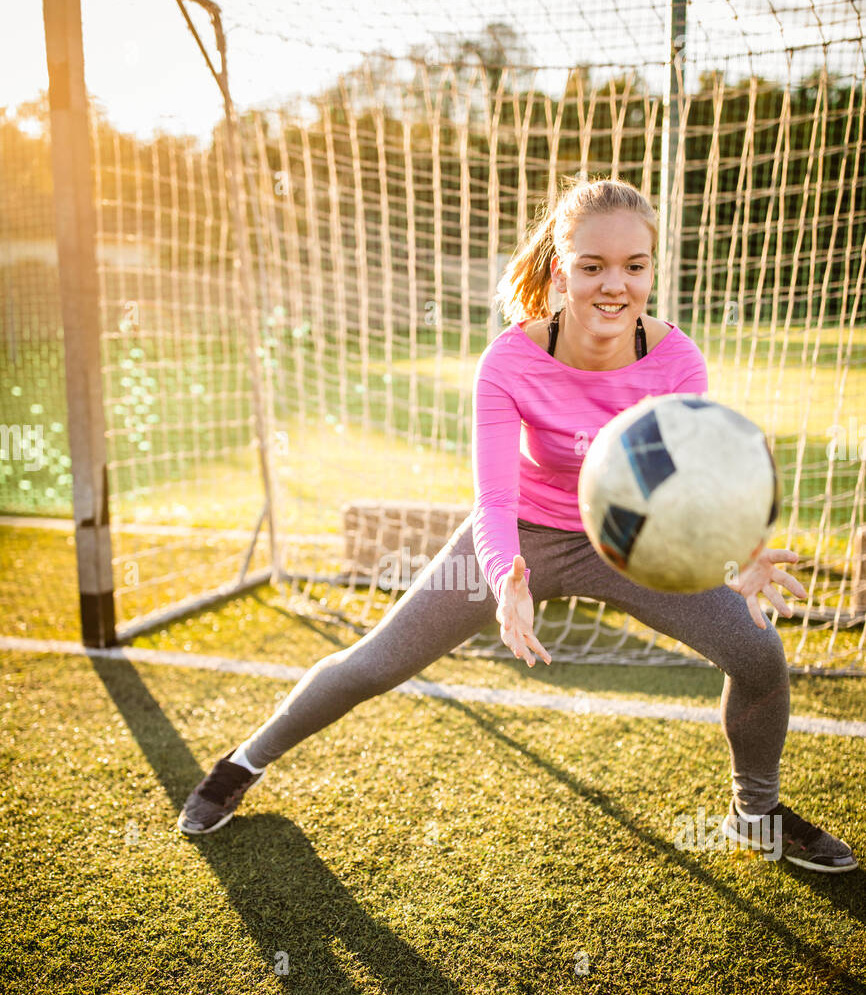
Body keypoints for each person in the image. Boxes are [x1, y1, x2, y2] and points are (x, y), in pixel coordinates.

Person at [177, 176, 856, 874]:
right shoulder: (509, 360)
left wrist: (734, 550)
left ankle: (755, 813)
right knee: (373, 664)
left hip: (624, 545)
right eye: (592, 267)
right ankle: (242, 763)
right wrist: (506, 579)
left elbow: (686, 484)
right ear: (562, 271)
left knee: (758, 654)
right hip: (523, 536)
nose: (614, 286)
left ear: (654, 268)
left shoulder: (677, 362)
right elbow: (494, 501)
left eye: (634, 266)